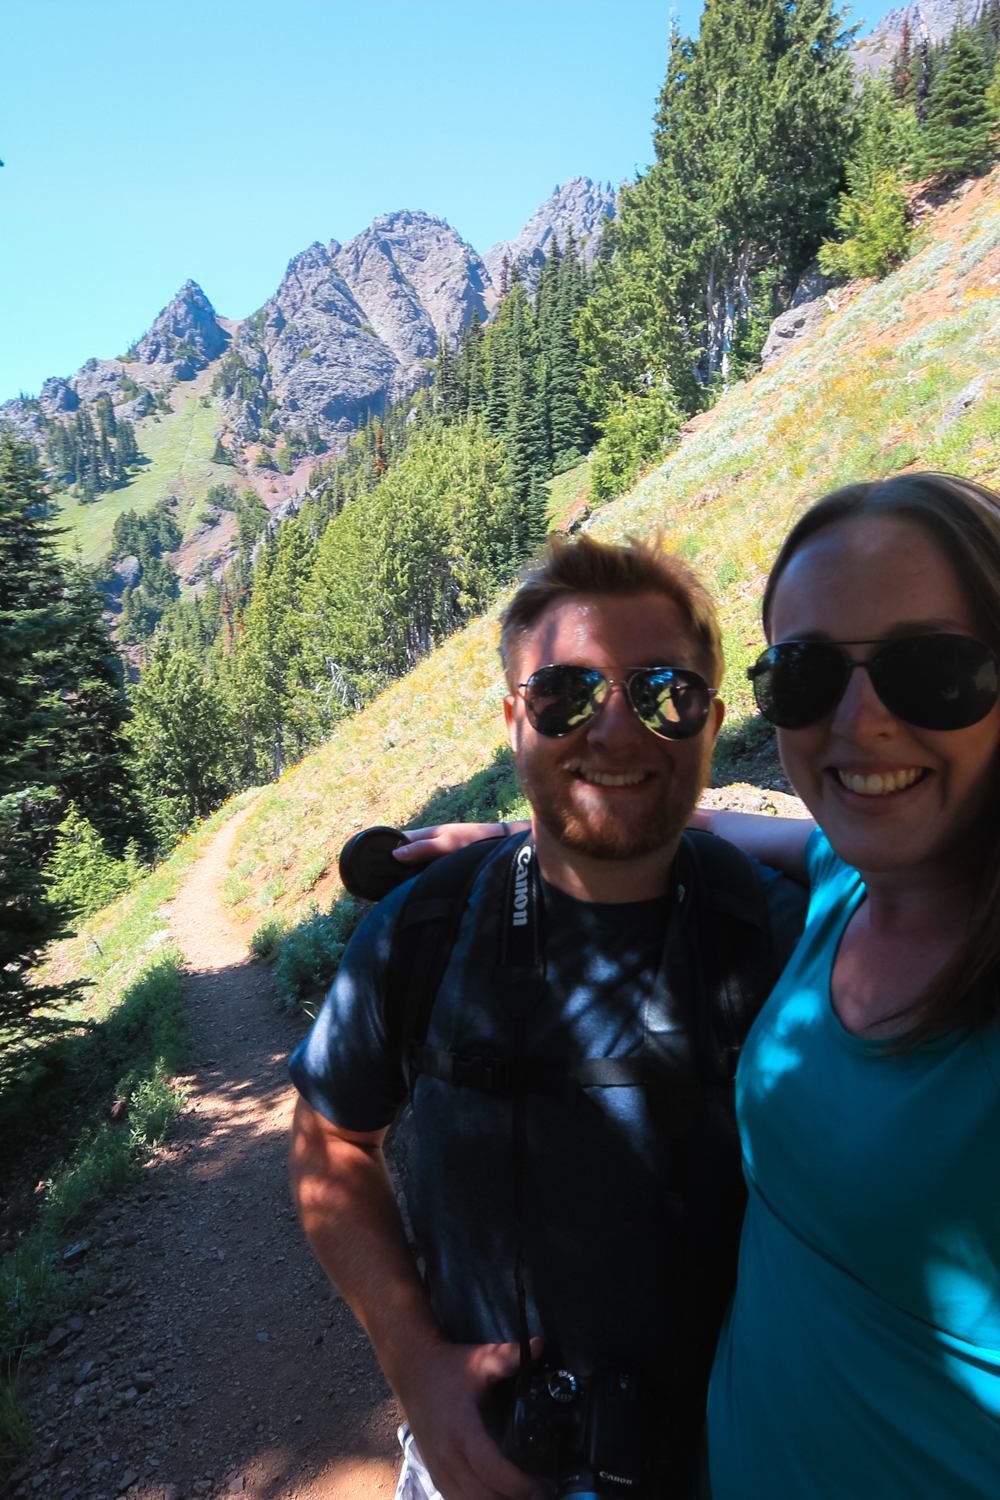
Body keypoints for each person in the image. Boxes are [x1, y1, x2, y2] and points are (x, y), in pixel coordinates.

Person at [287, 532, 807, 1500]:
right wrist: (415, 1366)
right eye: (565, 695)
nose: (615, 733)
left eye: (663, 693)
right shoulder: (427, 928)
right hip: (484, 1463)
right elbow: (329, 1142)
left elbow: (948, 873)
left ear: (711, 720)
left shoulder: (786, 935)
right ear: (512, 719)